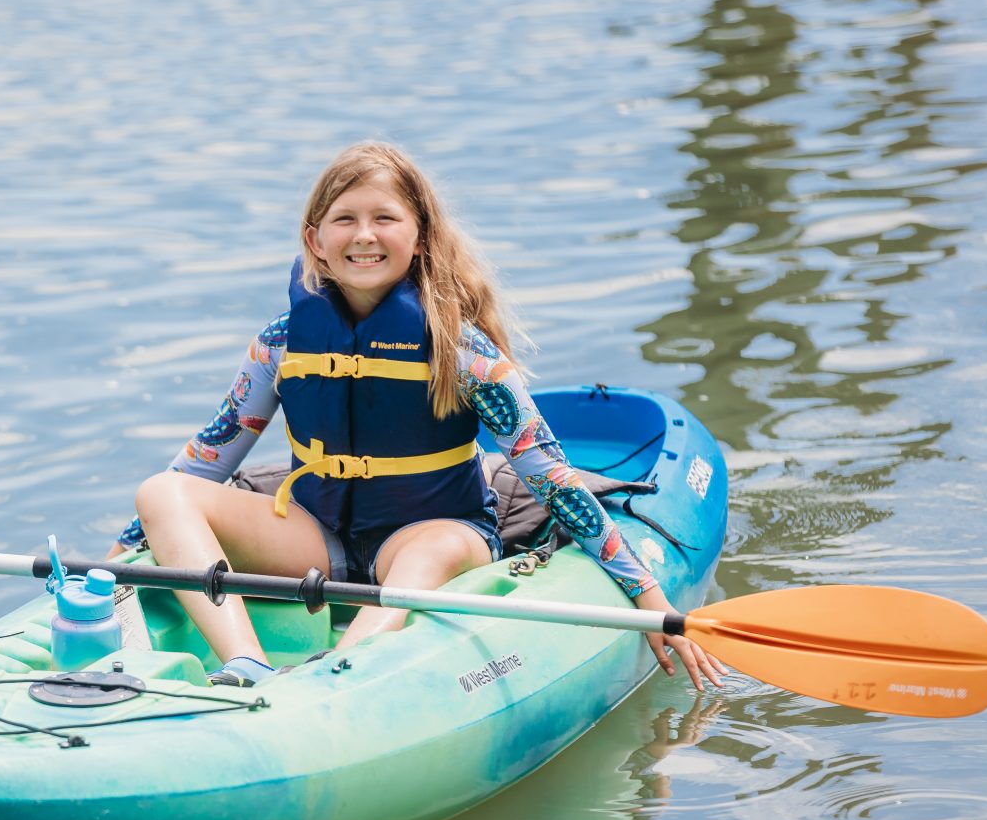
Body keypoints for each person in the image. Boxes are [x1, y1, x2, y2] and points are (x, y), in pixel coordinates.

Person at [111, 142, 726, 691]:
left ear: (421, 235)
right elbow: (208, 459)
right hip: (318, 539)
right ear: (314, 239)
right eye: (345, 219)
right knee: (161, 492)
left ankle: (330, 681)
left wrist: (649, 595)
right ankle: (246, 663)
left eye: (385, 219)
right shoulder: (279, 344)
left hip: (435, 531)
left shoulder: (464, 354)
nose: (364, 236)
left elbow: (551, 478)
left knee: (426, 551)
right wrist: (117, 563)